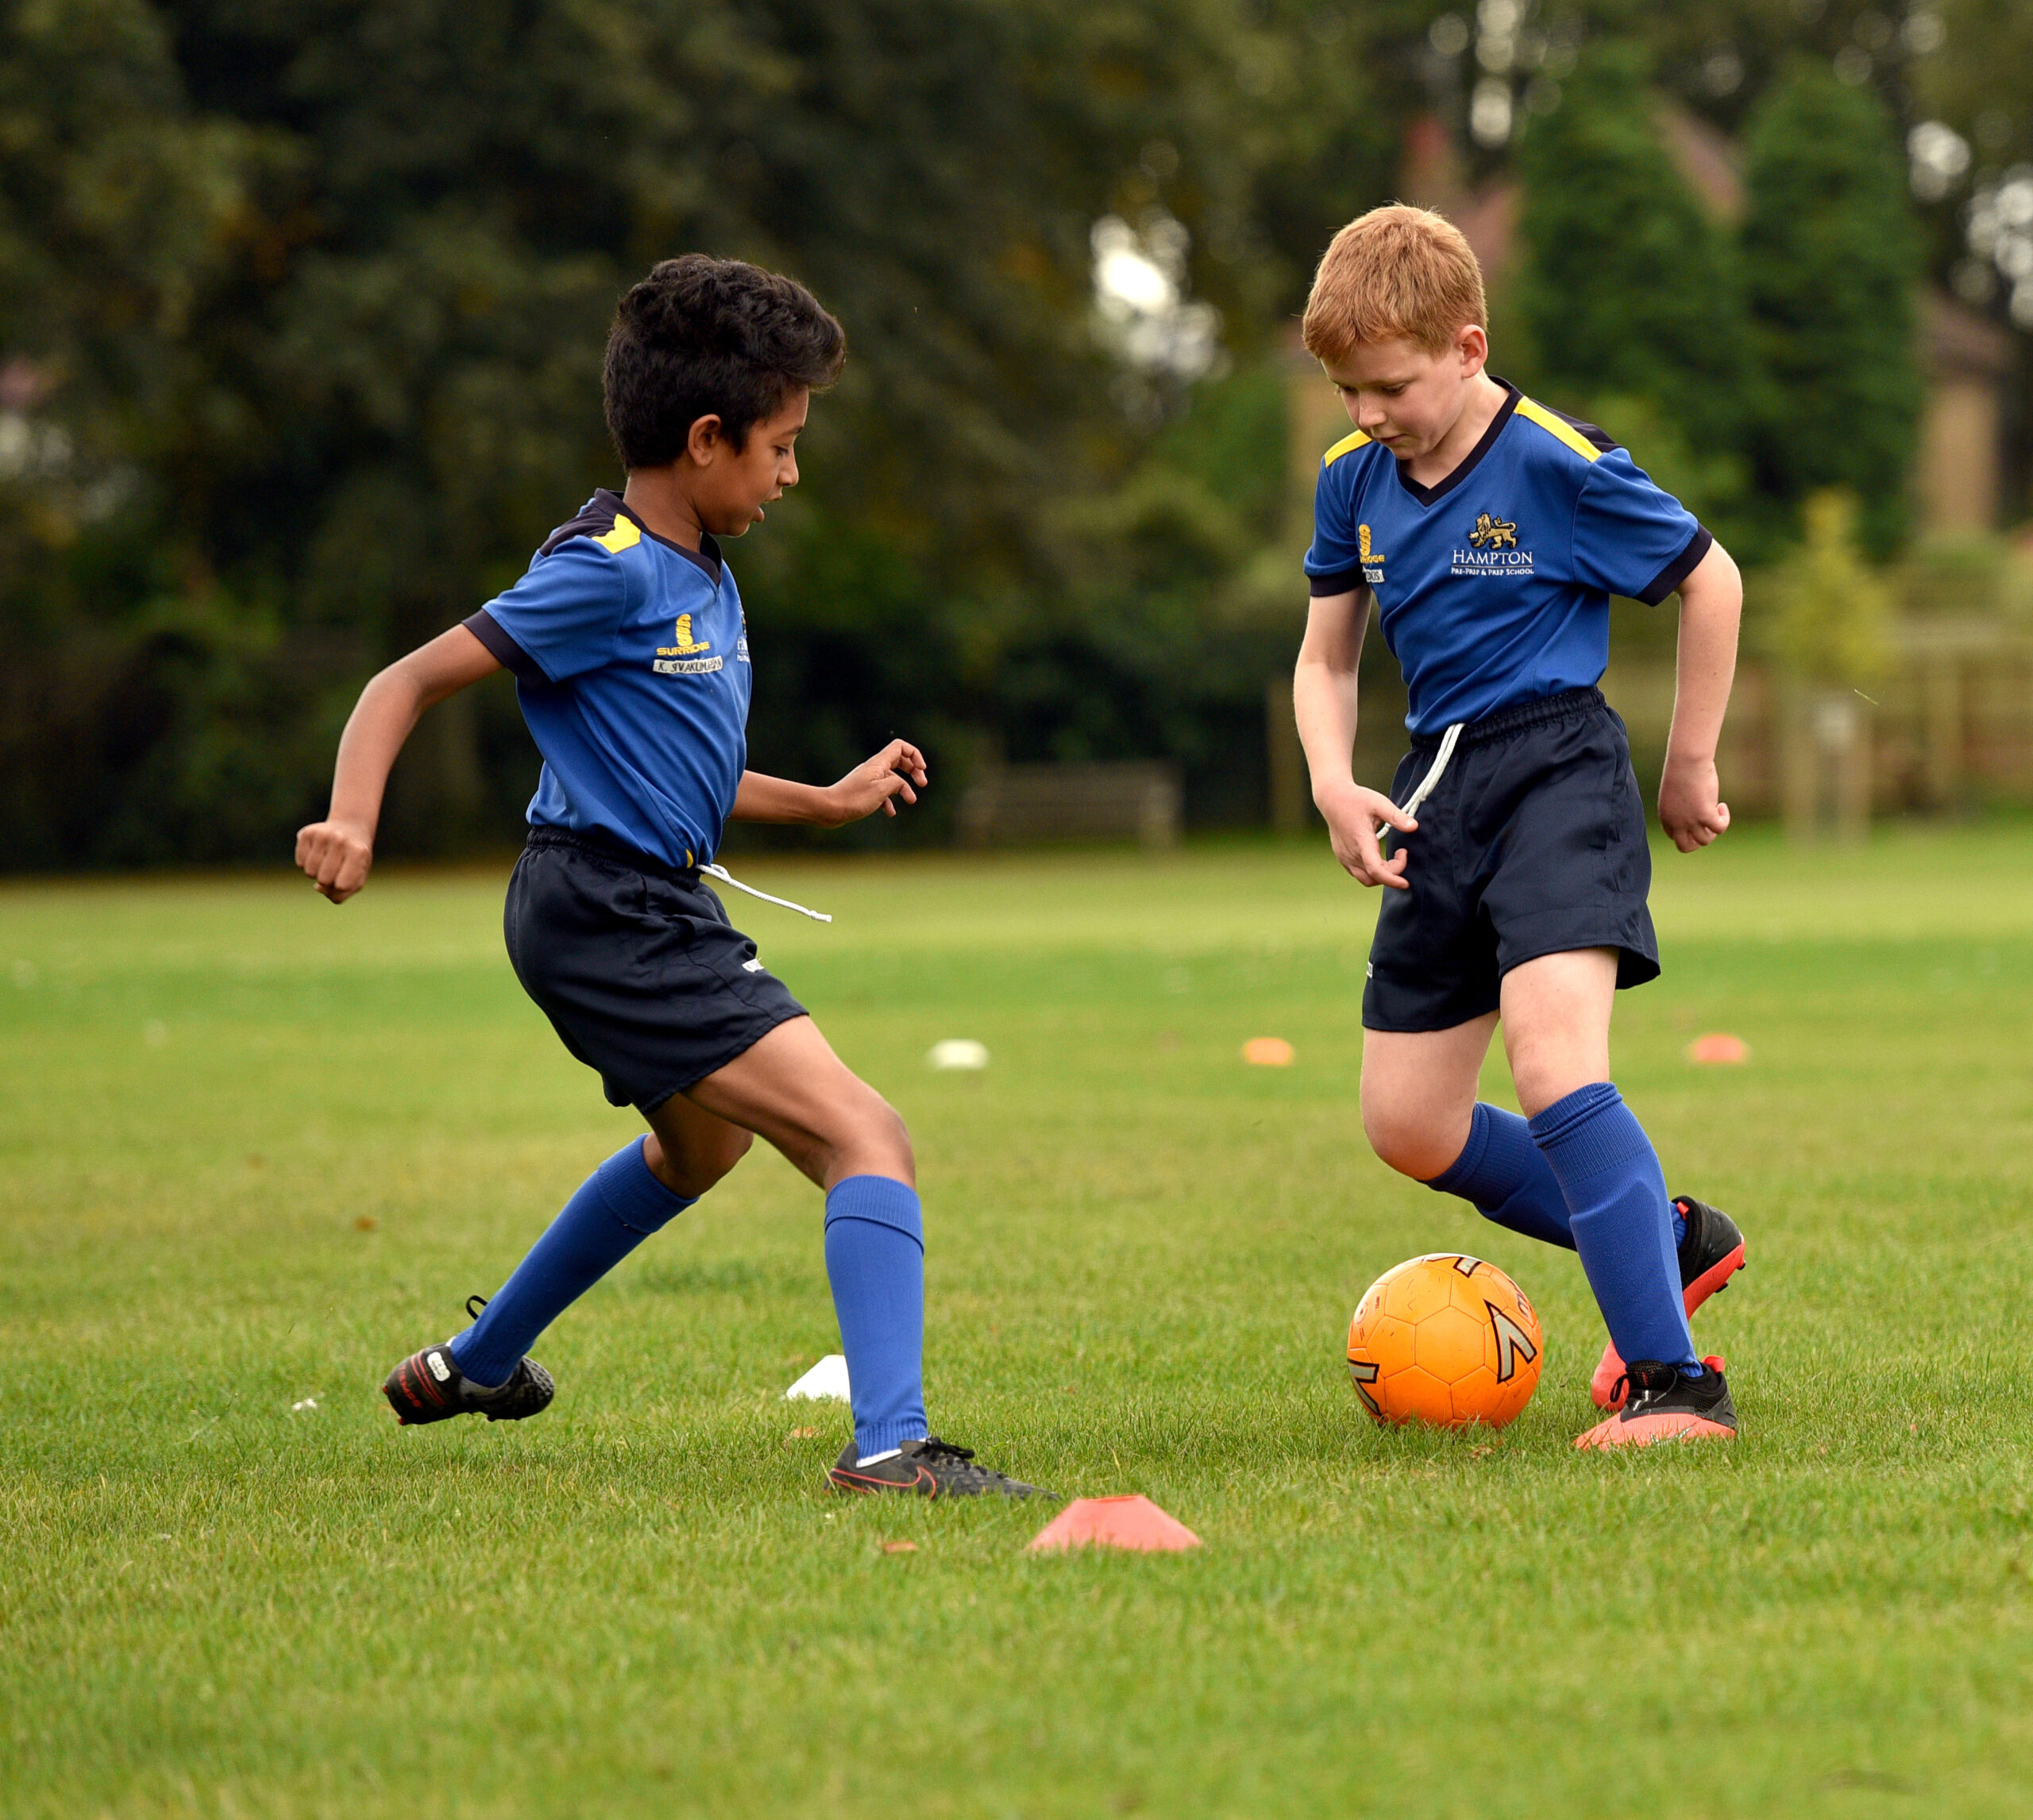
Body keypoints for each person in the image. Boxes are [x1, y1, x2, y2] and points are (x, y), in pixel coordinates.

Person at [295, 254, 1049, 1499]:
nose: (793, 472)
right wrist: (351, 820)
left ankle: (479, 1362)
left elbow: (686, 770)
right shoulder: (607, 567)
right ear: (707, 439)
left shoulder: (700, 565)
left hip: (624, 902)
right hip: (610, 908)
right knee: (867, 1134)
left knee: (699, 1154)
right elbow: (402, 683)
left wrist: (827, 797)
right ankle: (892, 1449)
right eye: (784, 445)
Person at [1291, 206, 1748, 1448]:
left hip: (1560, 770)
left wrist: (1687, 762)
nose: (1369, 412)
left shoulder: (1553, 459)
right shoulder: (1350, 480)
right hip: (1432, 793)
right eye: (1347, 390)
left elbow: (1711, 578)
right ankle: (1666, 1238)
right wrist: (1333, 779)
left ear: (1468, 346)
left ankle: (1675, 1383)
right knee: (1409, 1124)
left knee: (1555, 1068)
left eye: (1389, 385)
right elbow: (1328, 657)